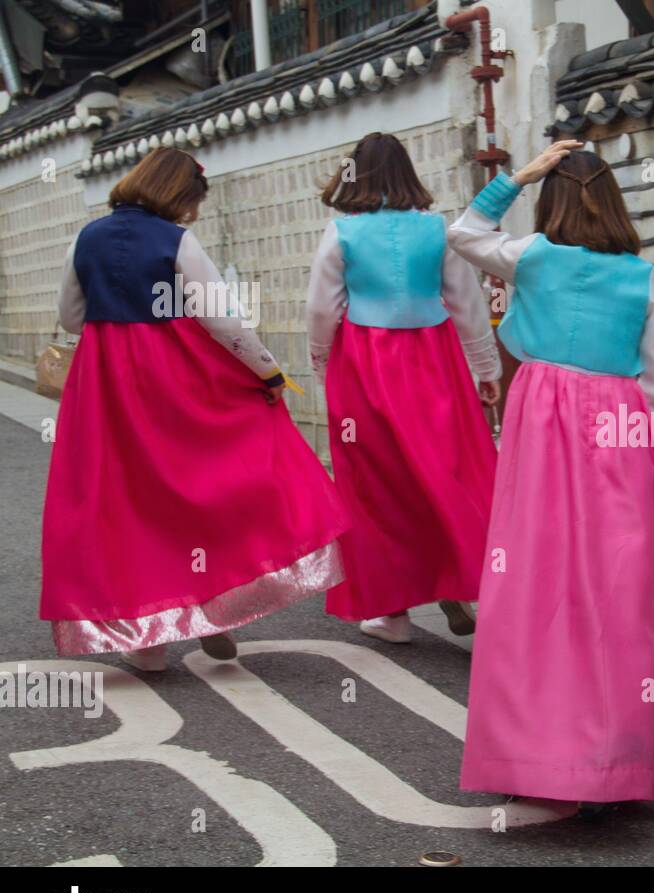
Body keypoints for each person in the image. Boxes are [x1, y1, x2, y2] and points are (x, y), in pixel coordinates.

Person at [448, 141, 654, 805]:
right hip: (622, 429)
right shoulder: (645, 279)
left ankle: (532, 753)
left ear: (551, 201)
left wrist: (516, 177)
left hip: (540, 436)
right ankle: (606, 760)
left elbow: (464, 233)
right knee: (616, 592)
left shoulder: (531, 256)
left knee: (530, 586)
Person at [42, 147, 350, 671]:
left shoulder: (85, 238)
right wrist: (267, 371)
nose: (197, 214)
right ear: (179, 196)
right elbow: (222, 320)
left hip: (103, 387)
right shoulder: (176, 240)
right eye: (195, 202)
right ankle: (215, 610)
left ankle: (147, 641)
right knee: (200, 488)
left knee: (125, 503)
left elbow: (71, 317)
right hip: (172, 380)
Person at [306, 132, 501, 643]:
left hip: (363, 364)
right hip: (435, 360)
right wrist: (486, 369)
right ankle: (470, 578)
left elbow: (322, 310)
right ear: (408, 174)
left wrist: (322, 365)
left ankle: (392, 612)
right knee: (450, 469)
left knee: (376, 484)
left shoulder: (341, 233)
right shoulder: (437, 230)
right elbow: (466, 304)